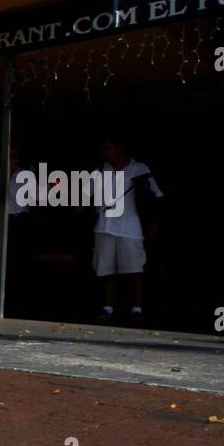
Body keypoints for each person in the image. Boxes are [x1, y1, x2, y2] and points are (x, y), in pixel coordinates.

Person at [92, 131, 162, 326]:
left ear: (119, 148)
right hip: (105, 226)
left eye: (108, 148)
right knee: (107, 270)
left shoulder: (139, 169)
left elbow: (156, 196)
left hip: (130, 227)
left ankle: (137, 309)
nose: (105, 153)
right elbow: (85, 195)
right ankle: (108, 309)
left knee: (135, 270)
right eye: (103, 149)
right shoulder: (99, 171)